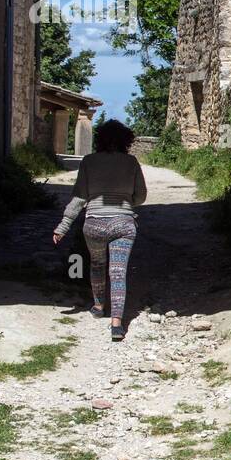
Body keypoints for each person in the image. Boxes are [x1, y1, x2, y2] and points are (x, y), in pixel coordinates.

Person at [52, 120, 148, 341]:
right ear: (126, 140)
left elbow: (79, 198)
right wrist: (125, 202)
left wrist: (63, 226)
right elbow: (141, 196)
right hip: (123, 224)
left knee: (97, 264)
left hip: (94, 223)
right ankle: (116, 324)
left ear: (100, 139)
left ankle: (98, 306)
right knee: (118, 272)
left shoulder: (88, 162)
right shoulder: (131, 163)